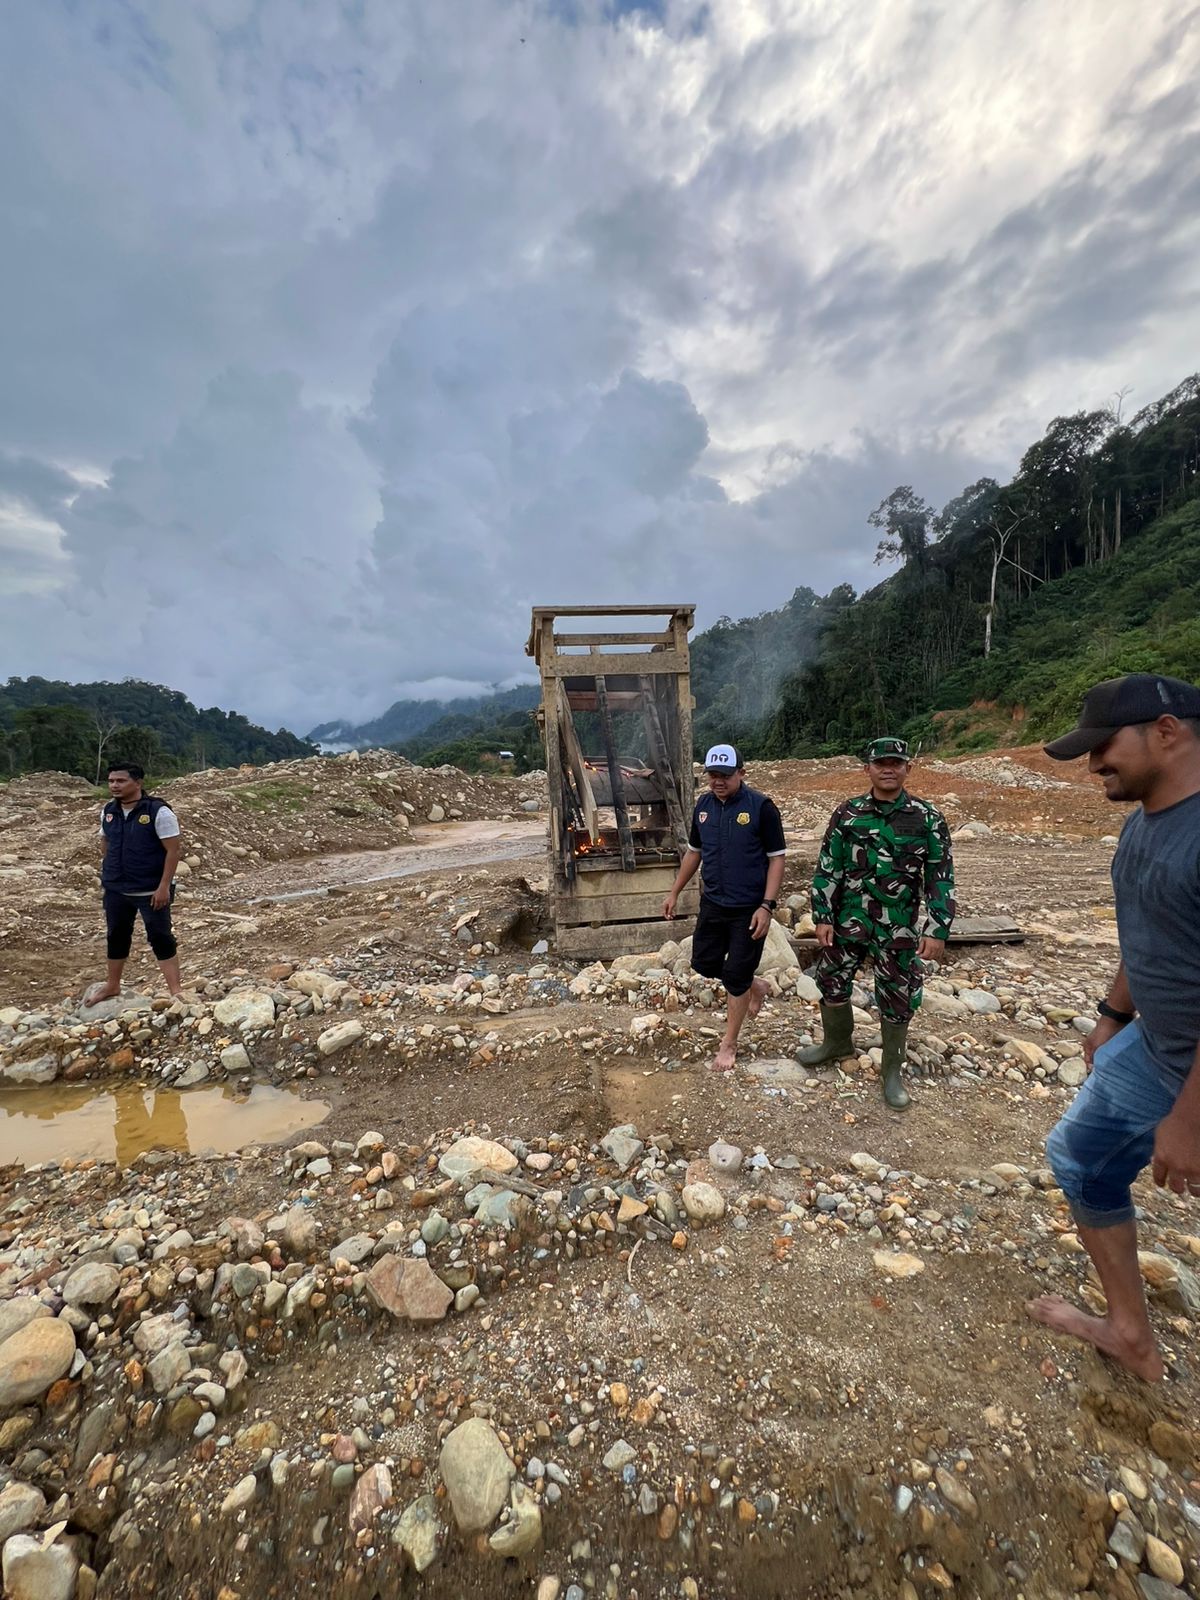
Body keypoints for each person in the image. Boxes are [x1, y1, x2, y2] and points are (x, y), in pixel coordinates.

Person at [1027, 673, 1200, 1383]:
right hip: (1154, 1045)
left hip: (1192, 1074)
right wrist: (1112, 1016)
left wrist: (1188, 1117)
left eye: (1103, 747)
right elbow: (1148, 933)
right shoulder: (1143, 824)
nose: (1094, 764)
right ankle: (1129, 1332)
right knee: (1082, 1157)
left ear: (1167, 730)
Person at [798, 736, 955, 1110]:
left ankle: (891, 1071)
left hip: (897, 926)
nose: (889, 769)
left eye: (896, 763)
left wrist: (937, 929)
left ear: (907, 769)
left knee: (896, 996)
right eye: (881, 763)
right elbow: (829, 867)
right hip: (847, 921)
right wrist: (822, 915)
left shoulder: (927, 818)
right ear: (867, 768)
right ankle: (836, 1043)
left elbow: (940, 876)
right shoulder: (847, 813)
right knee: (831, 980)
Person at [662, 743, 787, 1071]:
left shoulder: (762, 808)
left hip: (749, 908)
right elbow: (694, 852)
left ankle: (729, 1044)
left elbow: (777, 859)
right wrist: (675, 892)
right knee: (703, 962)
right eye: (712, 775)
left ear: (741, 773)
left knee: (734, 975)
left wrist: (767, 906)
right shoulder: (703, 806)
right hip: (713, 902)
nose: (718, 781)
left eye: (725, 775)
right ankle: (753, 984)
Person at [85, 761, 184, 1005]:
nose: (114, 786)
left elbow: (173, 852)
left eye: (121, 781)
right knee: (117, 935)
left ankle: (176, 991)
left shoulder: (158, 812)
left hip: (151, 888)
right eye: (111, 781)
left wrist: (163, 887)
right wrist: (108, 870)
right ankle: (112, 985)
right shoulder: (109, 811)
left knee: (160, 936)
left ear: (137, 783)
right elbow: (105, 841)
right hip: (116, 888)